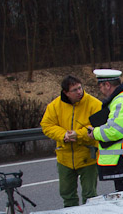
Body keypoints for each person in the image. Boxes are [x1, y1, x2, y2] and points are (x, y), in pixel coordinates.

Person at [41, 75, 102, 207]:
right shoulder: (55, 106)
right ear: (66, 93)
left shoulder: (94, 104)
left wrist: (77, 134)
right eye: (74, 90)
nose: (79, 92)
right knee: (67, 195)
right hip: (65, 157)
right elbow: (47, 125)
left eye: (80, 88)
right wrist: (63, 135)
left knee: (90, 196)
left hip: (87, 157)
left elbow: (99, 128)